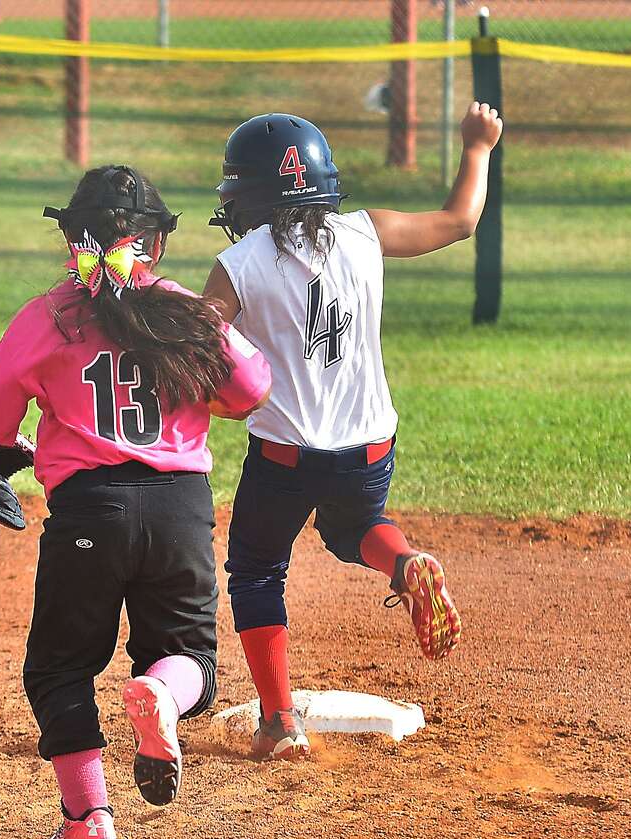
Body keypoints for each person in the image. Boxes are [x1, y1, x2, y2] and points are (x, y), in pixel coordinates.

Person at [0, 165, 271, 839]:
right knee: (191, 659)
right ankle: (161, 694)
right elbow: (251, 388)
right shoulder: (184, 309)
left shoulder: (48, 315)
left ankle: (88, 819)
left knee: (60, 669)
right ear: (155, 240)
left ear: (73, 238)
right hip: (180, 510)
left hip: (88, 512)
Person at [202, 103, 503, 760]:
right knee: (353, 526)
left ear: (249, 194)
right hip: (368, 446)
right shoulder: (367, 231)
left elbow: (199, 349)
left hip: (283, 455)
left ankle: (280, 723)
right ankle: (404, 563)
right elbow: (460, 220)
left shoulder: (240, 262)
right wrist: (478, 147)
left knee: (256, 571)